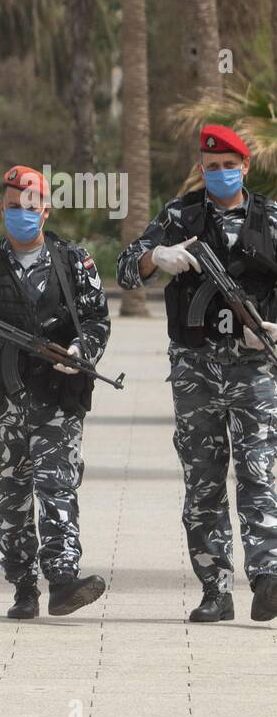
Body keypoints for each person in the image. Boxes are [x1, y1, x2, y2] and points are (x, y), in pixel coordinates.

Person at [0, 165, 110, 619]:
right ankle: (23, 584)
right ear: (2, 208)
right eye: (13, 207)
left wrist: (80, 349)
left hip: (56, 395)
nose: (21, 214)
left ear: (45, 210)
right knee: (9, 494)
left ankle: (64, 580)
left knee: (57, 484)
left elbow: (97, 320)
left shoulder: (73, 261)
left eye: (30, 207)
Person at [117, 125, 277, 623]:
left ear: (245, 167)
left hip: (256, 368)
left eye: (230, 166)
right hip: (196, 369)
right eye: (212, 168)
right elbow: (125, 268)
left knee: (260, 471)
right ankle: (215, 588)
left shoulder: (271, 218)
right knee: (203, 479)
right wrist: (154, 258)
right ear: (201, 170)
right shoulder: (179, 215)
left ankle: (269, 577)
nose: (221, 174)